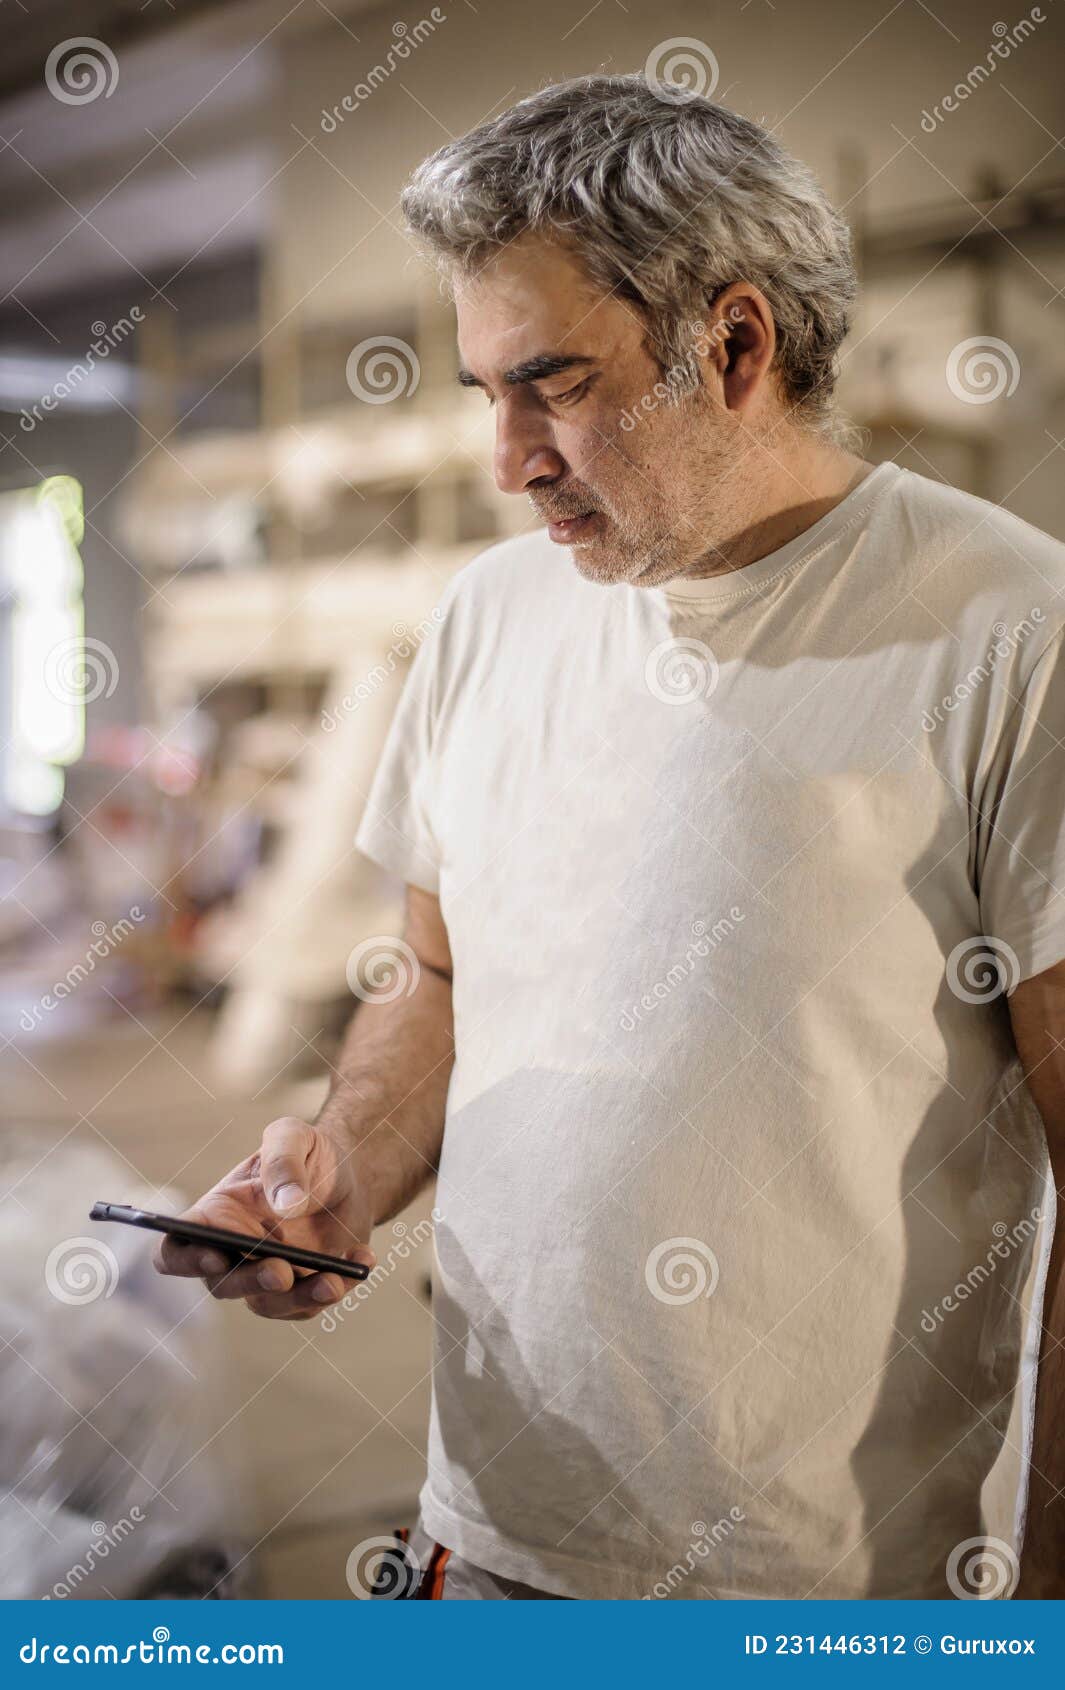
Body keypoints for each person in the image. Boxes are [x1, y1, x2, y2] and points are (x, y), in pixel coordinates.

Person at [157, 74, 1065, 1601]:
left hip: (818, 1595)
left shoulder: (1010, 630)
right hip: (479, 1542)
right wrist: (338, 1175)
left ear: (734, 345)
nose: (507, 457)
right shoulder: (485, 617)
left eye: (554, 384)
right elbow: (436, 977)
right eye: (485, 393)